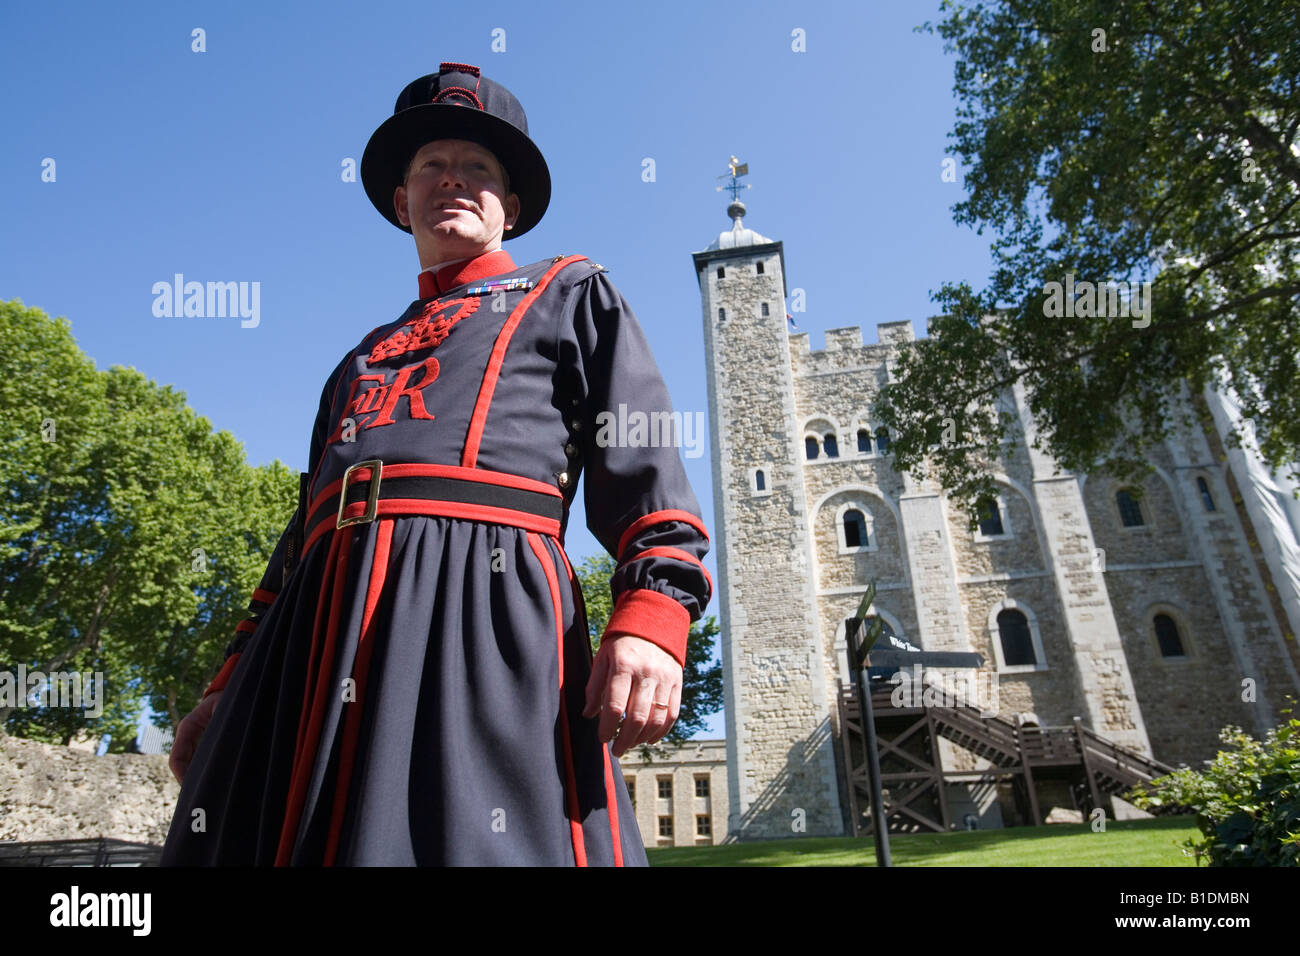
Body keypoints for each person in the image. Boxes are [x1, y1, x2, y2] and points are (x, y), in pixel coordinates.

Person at [160, 62, 712, 866]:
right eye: (431, 167)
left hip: (480, 612)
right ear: (400, 200)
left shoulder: (570, 291)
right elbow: (296, 539)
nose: (452, 180)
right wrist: (226, 684)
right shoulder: (356, 359)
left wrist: (655, 618)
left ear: (509, 207)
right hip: (311, 636)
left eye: (478, 169)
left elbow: (644, 459)